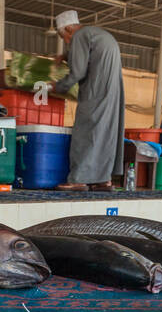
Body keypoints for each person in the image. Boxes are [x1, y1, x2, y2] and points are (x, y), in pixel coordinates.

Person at [52, 10, 126, 191]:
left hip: (96, 91)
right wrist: (67, 56)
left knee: (85, 132)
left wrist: (58, 87)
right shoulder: (98, 34)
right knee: (105, 134)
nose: (66, 42)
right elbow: (90, 57)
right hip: (113, 93)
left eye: (64, 37)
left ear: (69, 29)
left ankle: (78, 180)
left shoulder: (80, 36)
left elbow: (78, 72)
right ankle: (104, 180)